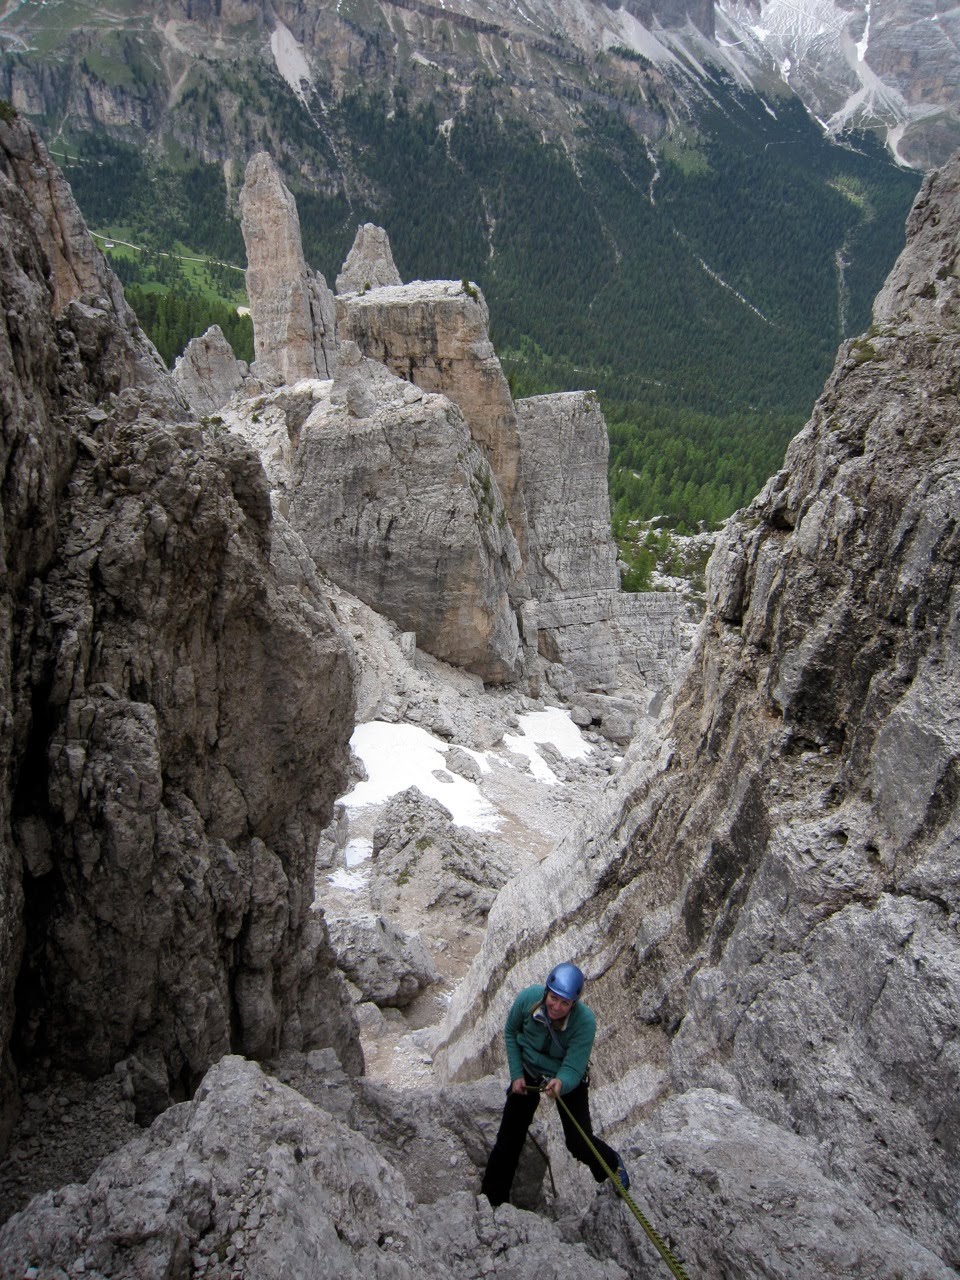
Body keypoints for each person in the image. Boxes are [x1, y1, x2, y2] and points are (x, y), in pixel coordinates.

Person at [480, 962, 629, 1207]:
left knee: (578, 1142)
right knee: (509, 1137)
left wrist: (561, 1082)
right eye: (553, 998)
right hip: (528, 1070)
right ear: (546, 991)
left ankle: (612, 1164)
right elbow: (511, 1032)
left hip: (565, 1077)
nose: (556, 1007)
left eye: (564, 1003)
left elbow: (573, 1066)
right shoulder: (528, 999)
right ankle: (493, 1200)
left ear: (574, 1004)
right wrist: (517, 1074)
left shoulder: (584, 1022)